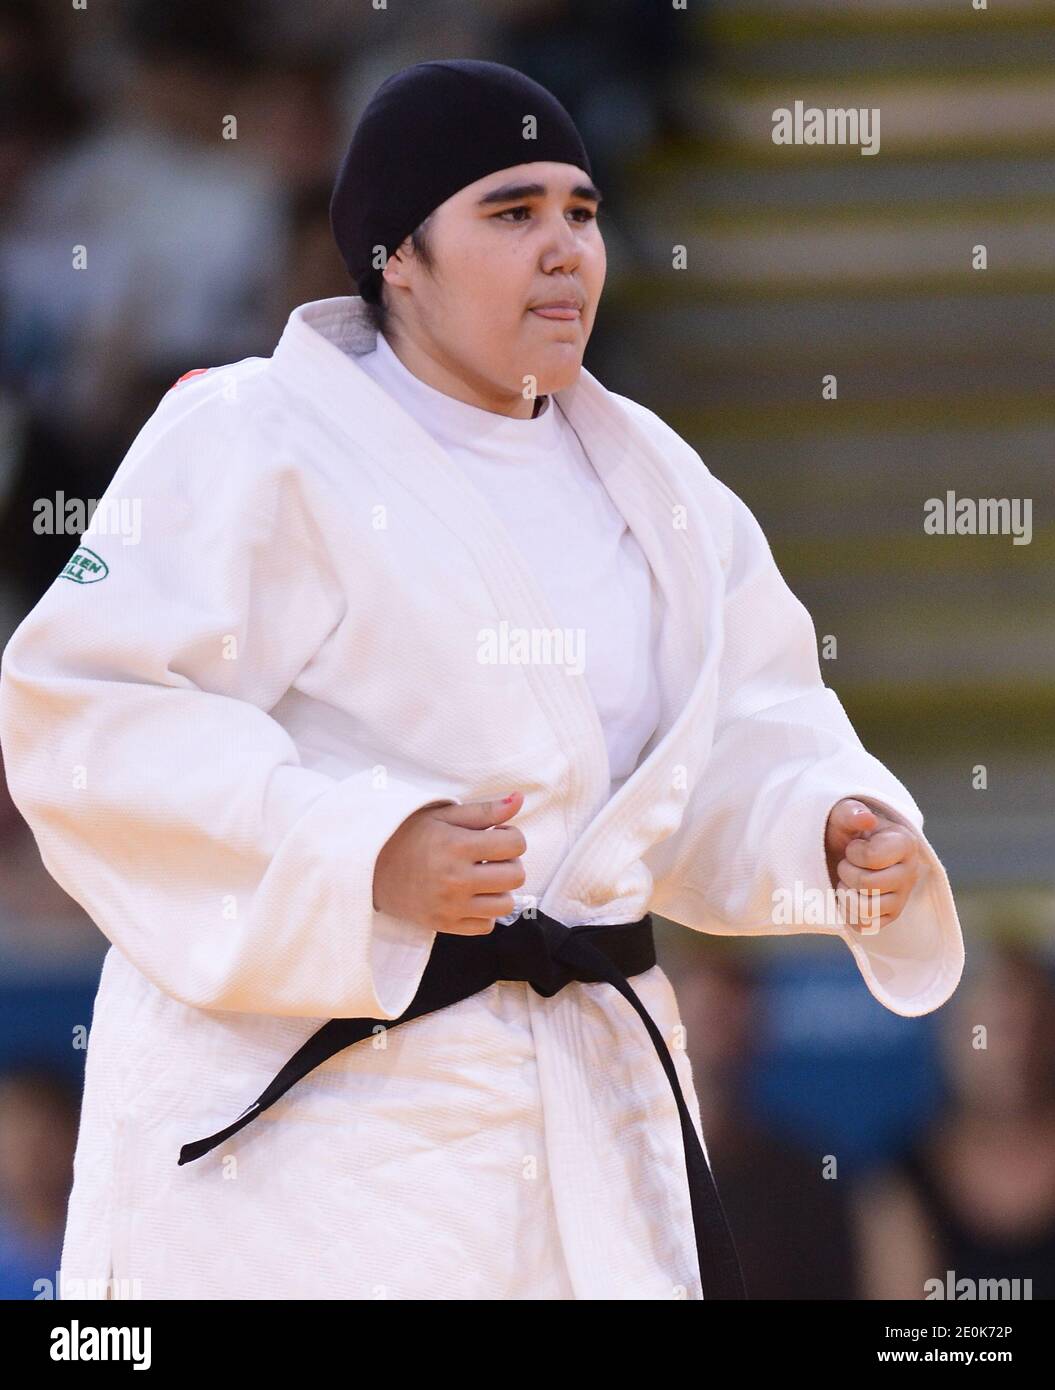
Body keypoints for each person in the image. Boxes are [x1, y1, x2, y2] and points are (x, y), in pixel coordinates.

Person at [0, 59, 965, 1301]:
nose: (565, 247)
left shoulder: (653, 477)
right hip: (313, 1135)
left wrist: (819, 825)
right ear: (398, 255)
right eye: (513, 213)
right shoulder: (250, 436)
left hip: (580, 1101)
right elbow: (86, 712)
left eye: (582, 211)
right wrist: (367, 853)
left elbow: (733, 733)